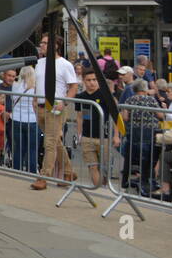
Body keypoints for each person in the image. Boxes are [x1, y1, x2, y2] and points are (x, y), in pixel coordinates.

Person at [32, 32, 77, 190]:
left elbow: (73, 86)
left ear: (55, 46)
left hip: (56, 106)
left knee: (49, 142)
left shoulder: (65, 64)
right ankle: (69, 171)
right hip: (41, 106)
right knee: (55, 142)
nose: (42, 45)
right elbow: (37, 82)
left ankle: (44, 176)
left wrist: (64, 102)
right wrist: (34, 100)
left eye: (45, 43)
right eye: (42, 43)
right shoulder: (40, 62)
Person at [121, 79, 164, 197]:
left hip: (134, 133)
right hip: (149, 133)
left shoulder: (130, 100)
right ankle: (148, 180)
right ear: (145, 89)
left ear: (134, 89)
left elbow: (124, 117)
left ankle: (125, 180)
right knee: (149, 158)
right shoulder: (151, 100)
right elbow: (160, 115)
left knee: (130, 158)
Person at [78, 72, 119, 189]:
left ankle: (104, 186)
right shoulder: (81, 96)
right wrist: (79, 134)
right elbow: (80, 116)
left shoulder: (105, 95)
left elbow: (116, 116)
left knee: (104, 167)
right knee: (92, 166)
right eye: (89, 80)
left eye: (94, 80)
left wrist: (116, 135)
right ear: (84, 81)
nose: (92, 83)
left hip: (104, 137)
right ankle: (98, 190)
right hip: (87, 137)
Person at [10, 65, 40, 176]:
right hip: (31, 119)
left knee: (18, 147)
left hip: (17, 118)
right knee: (32, 148)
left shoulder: (15, 86)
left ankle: (16, 171)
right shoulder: (35, 88)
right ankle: (31, 172)